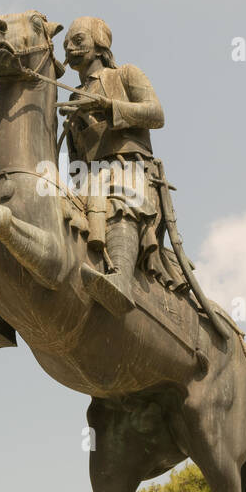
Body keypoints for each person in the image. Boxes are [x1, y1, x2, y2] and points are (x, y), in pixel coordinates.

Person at [59, 17, 164, 317]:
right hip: (89, 178)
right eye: (66, 42)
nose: (69, 46)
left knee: (121, 197)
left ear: (99, 44)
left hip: (130, 169)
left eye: (78, 40)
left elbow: (156, 114)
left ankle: (120, 278)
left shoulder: (125, 74)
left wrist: (106, 106)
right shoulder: (73, 97)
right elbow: (77, 159)